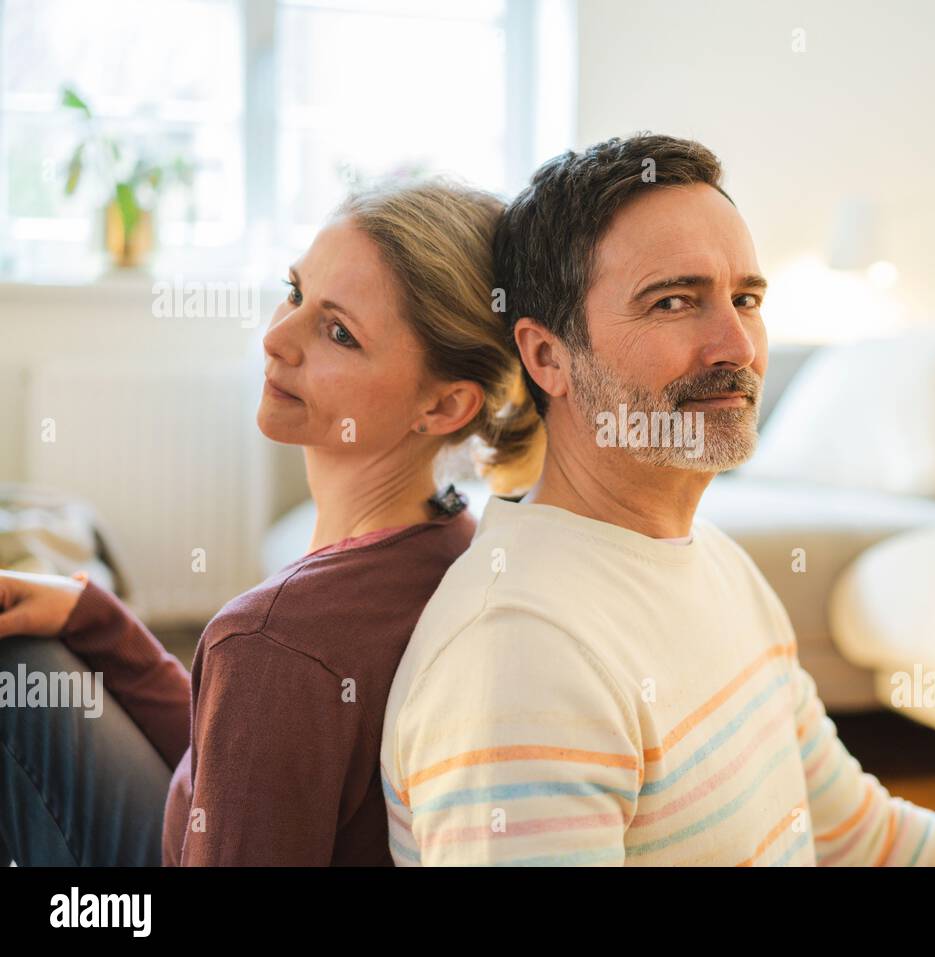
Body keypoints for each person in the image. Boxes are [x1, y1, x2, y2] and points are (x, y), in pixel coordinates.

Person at [381, 134, 935, 866]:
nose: (736, 343)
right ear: (548, 356)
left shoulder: (719, 565)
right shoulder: (518, 653)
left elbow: (858, 837)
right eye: (674, 301)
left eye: (746, 299)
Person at [0, 178, 542, 865]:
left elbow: (261, 708)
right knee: (39, 660)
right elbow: (238, 763)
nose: (277, 337)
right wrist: (97, 620)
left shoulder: (277, 639)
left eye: (339, 332)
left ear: (443, 407)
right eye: (295, 292)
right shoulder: (453, 544)